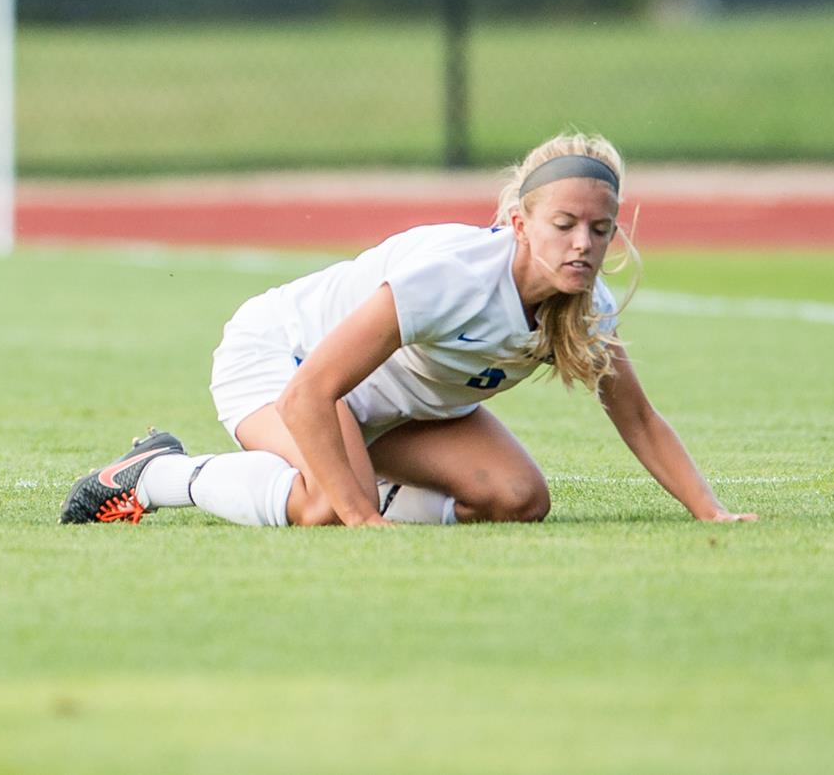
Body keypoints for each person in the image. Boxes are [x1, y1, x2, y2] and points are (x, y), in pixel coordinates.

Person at [60, 132, 753, 528]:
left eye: (600, 229)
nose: (583, 244)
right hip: (282, 361)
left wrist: (711, 514)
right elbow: (310, 392)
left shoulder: (586, 303)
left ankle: (368, 485)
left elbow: (639, 419)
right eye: (564, 225)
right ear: (519, 224)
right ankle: (157, 473)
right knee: (328, 508)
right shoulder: (454, 278)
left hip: (388, 404)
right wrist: (362, 519)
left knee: (517, 500)